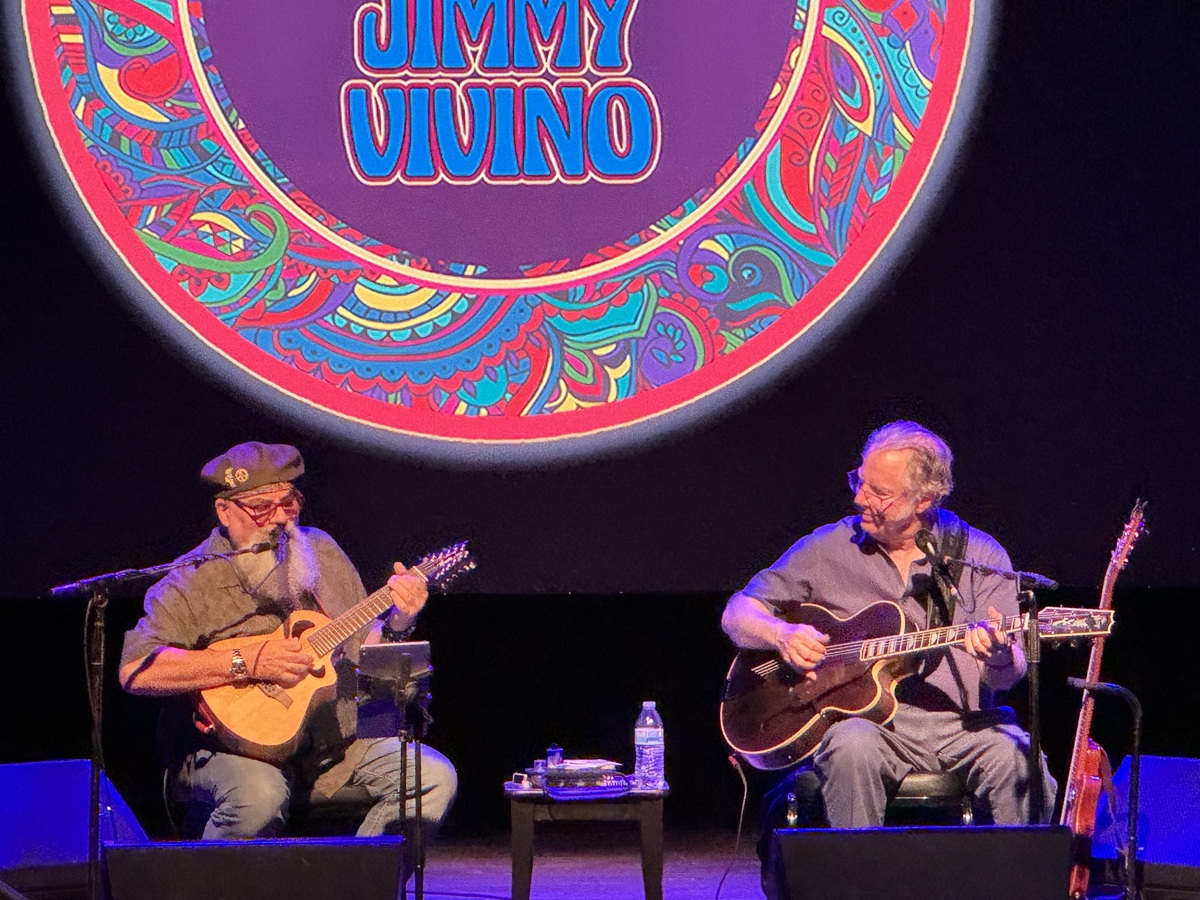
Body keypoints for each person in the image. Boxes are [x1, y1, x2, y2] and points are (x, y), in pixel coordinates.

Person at [722, 421, 1056, 830]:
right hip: (871, 730)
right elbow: (738, 613)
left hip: (964, 728)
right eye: (859, 482)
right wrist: (781, 634)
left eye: (879, 492)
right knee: (851, 747)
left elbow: (1008, 673)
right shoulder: (827, 547)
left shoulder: (979, 555)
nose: (861, 498)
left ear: (924, 499)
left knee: (1019, 759)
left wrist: (1001, 655)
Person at [119, 441, 457, 841]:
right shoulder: (191, 580)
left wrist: (401, 618)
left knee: (433, 776)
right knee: (259, 796)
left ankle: (365, 883)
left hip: (331, 748)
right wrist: (246, 663)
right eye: (262, 507)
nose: (280, 518)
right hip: (232, 752)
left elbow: (365, 648)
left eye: (290, 503)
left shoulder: (320, 551)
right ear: (224, 511)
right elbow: (135, 670)